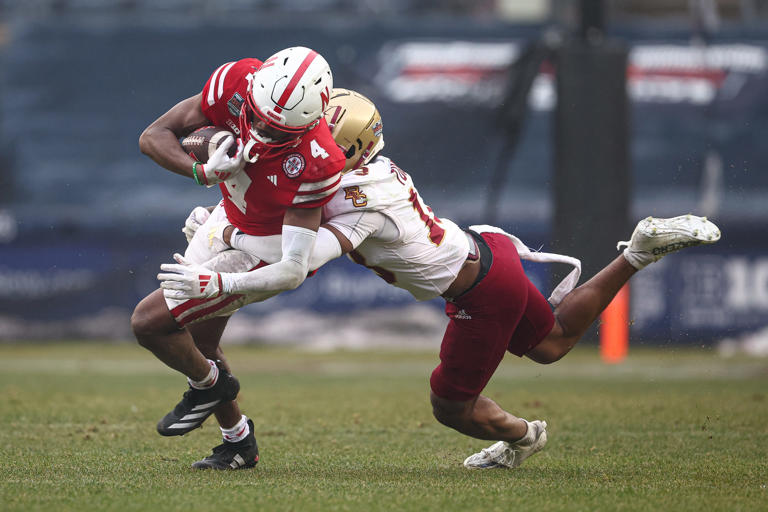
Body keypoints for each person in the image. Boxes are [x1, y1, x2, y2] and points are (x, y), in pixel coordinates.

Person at [159, 89, 722, 470]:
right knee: (551, 345)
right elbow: (286, 201)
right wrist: (223, 213)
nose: (309, 146)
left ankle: (522, 439)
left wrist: (223, 255)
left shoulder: (359, 198)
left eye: (320, 140)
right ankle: (636, 256)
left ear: (346, 148)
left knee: (451, 406)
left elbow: (297, 262)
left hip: (479, 289)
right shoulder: (358, 169)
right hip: (484, 251)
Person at [131, 47, 346, 470]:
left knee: (149, 323)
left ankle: (208, 384)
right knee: (203, 343)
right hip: (224, 218)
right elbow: (153, 136)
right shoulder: (235, 80)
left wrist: (222, 284)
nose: (263, 132)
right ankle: (238, 441)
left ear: (311, 123)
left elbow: (293, 267)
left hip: (262, 252)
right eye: (259, 117)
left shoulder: (319, 161)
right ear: (253, 91)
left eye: (278, 130)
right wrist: (202, 173)